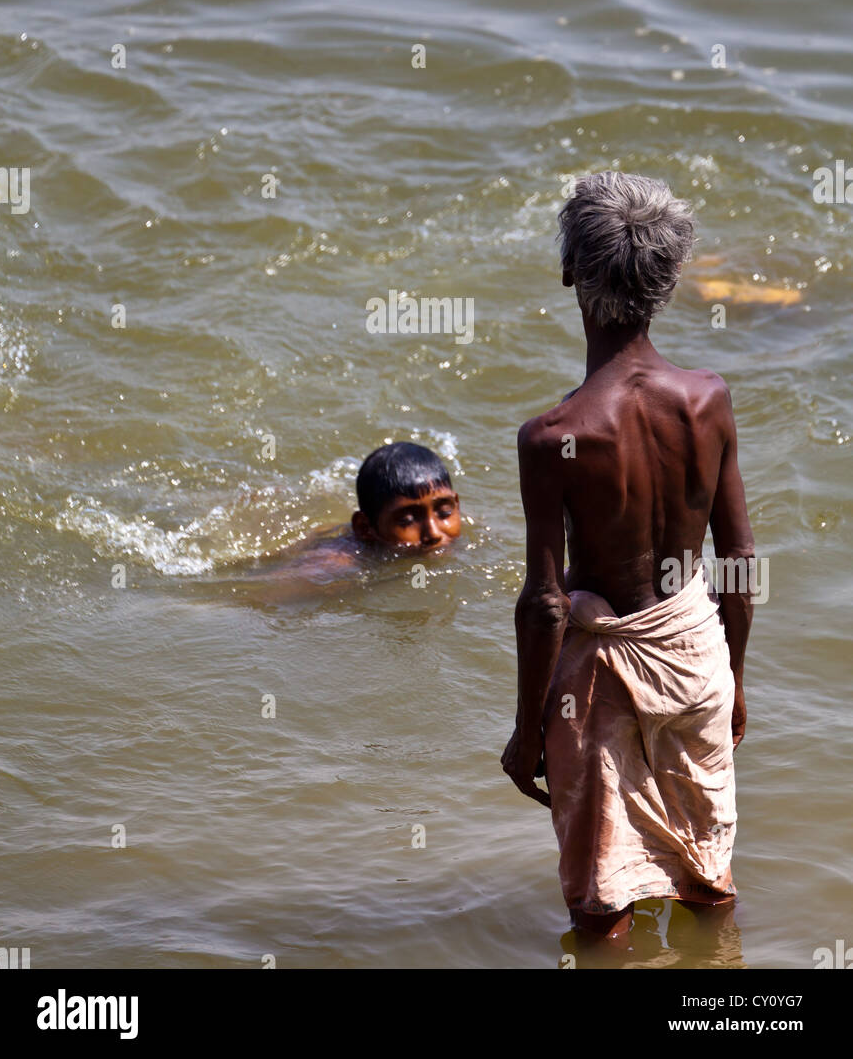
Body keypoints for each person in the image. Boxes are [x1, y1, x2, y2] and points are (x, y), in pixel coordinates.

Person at [500, 170, 756, 943]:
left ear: (571, 269)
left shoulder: (553, 438)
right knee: (705, 873)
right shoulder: (706, 398)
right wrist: (733, 680)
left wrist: (525, 729)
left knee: (600, 901)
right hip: (695, 656)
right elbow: (739, 559)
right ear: (670, 281)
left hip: (601, 685)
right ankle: (716, 989)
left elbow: (546, 601)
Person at [242, 442, 461, 599]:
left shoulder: (457, 533)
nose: (433, 532)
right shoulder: (335, 568)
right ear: (364, 527)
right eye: (407, 520)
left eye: (443, 512)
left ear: (456, 505)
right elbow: (253, 597)